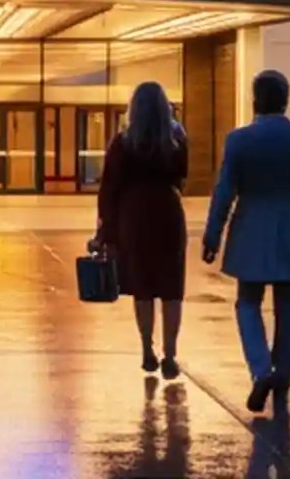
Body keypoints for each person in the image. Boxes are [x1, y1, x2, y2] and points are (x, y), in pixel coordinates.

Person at [202, 70, 290, 413]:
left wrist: (212, 234)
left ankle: (261, 370)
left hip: (250, 232)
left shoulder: (239, 141)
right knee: (289, 309)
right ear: (286, 99)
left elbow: (224, 191)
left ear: (255, 99)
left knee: (247, 303)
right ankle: (283, 376)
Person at [92, 81, 189, 380]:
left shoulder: (122, 143)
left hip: (133, 218)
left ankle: (147, 348)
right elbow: (182, 177)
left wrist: (105, 232)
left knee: (142, 287)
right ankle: (170, 354)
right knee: (172, 288)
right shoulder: (176, 141)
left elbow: (108, 191)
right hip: (169, 214)